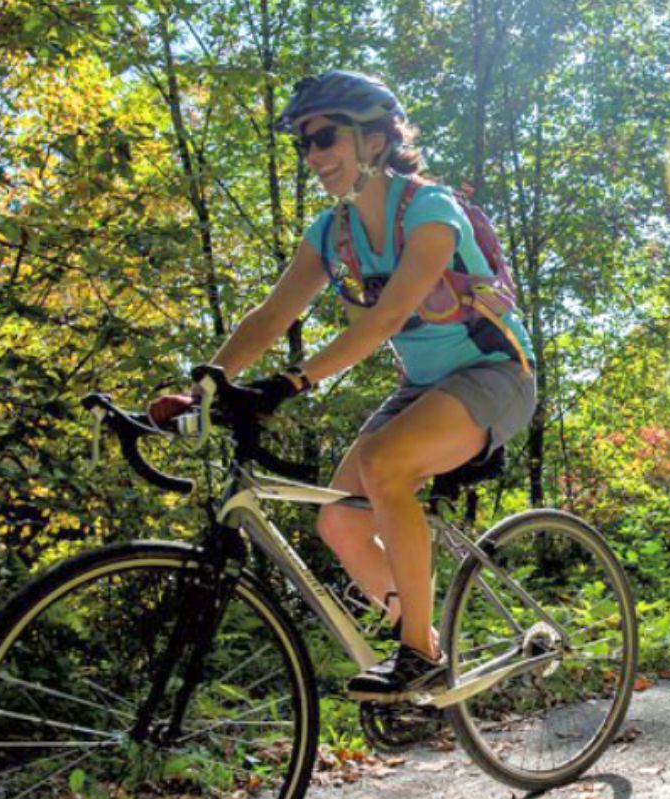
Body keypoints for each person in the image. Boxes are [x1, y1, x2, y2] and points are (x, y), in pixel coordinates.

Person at [148, 71, 537, 701]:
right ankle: (427, 649)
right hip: (424, 388)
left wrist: (291, 382)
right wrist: (203, 390)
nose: (313, 154)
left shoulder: (430, 210)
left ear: (375, 140)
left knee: (383, 464)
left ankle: (417, 653)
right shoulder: (333, 234)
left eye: (325, 137)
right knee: (340, 521)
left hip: (496, 374)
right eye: (304, 143)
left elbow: (384, 319)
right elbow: (272, 315)